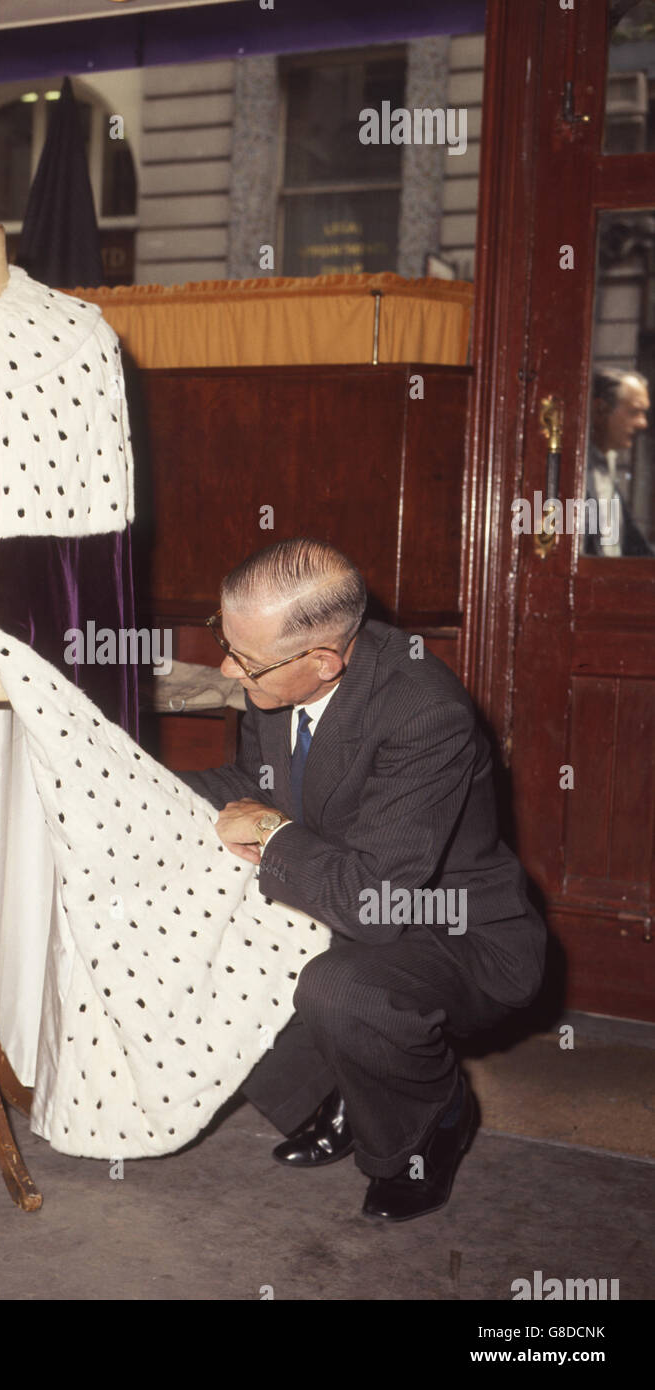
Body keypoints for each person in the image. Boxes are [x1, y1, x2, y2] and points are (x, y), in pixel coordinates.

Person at [180, 537, 546, 1222]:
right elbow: (257, 790)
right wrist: (133, 791)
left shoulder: (422, 713)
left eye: (244, 659)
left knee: (340, 989)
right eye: (223, 641)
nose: (227, 670)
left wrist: (268, 833)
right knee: (179, 913)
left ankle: (426, 1123)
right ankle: (336, 1090)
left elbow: (373, 904)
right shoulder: (282, 674)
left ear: (322, 661)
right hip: (344, 885)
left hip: (450, 929)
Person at [585, 367, 652, 557]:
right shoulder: (575, 470)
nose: (642, 423)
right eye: (634, 412)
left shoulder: (608, 465)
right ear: (600, 409)